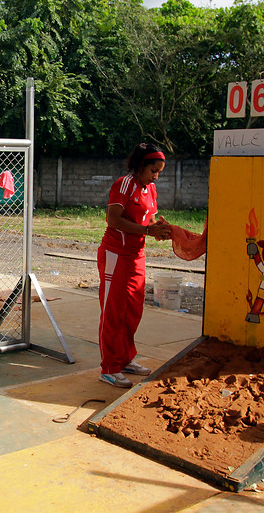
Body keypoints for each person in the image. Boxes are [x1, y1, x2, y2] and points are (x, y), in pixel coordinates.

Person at [97, 143, 172, 388]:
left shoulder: (150, 189)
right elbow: (113, 219)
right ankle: (109, 368)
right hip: (115, 255)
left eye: (159, 171)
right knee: (113, 312)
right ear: (140, 165)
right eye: (153, 170)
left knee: (133, 311)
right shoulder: (124, 184)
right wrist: (147, 230)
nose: (156, 176)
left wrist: (158, 229)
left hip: (136, 255)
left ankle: (126, 359)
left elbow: (149, 218)